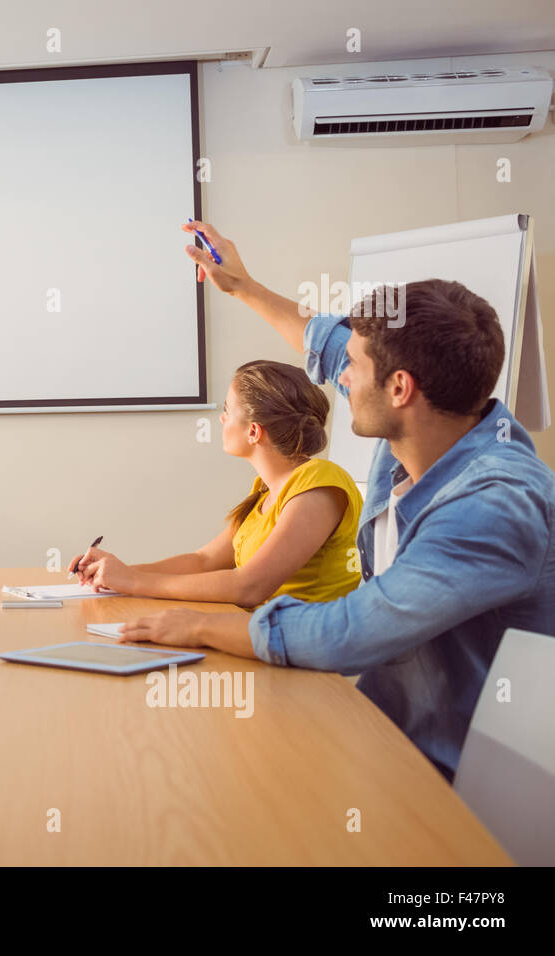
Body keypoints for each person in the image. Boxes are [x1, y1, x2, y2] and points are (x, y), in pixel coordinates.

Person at [111, 220, 555, 781]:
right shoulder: (424, 428)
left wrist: (196, 626)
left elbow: (351, 632)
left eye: (354, 368)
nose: (340, 377)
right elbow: (323, 340)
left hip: (457, 776)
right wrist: (242, 286)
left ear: (400, 389)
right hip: (382, 727)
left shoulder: (492, 503)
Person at [74, 359, 362, 608]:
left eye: (228, 409)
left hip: (302, 650)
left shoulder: (319, 484)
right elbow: (203, 561)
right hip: (257, 634)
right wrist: (115, 573)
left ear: (253, 431)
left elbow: (249, 587)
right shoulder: (265, 490)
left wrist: (133, 581)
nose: (222, 418)